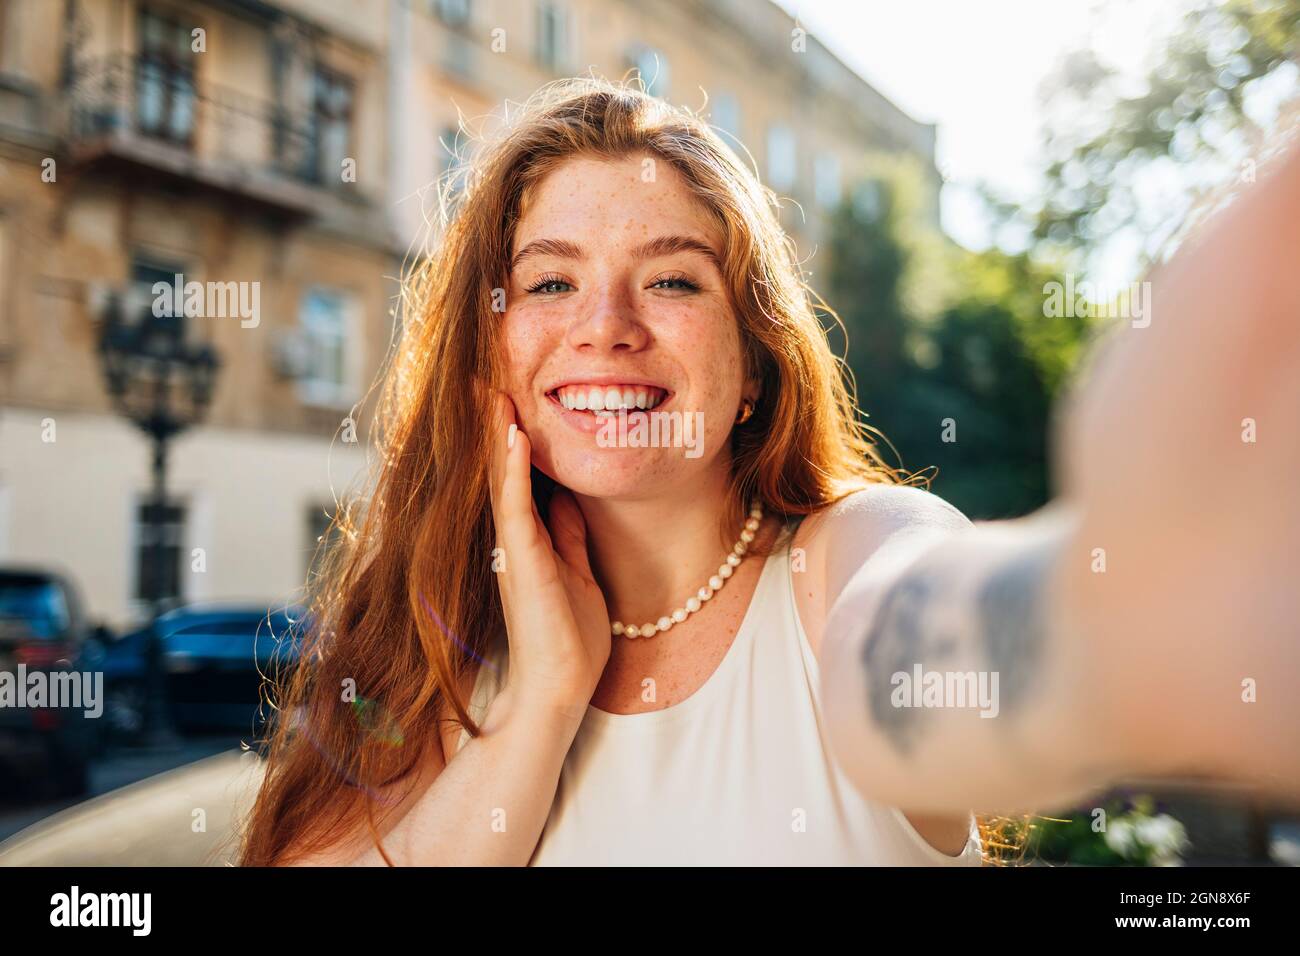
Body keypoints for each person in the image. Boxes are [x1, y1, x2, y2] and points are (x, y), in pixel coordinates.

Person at [238, 77, 1299, 867]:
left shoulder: (857, 557)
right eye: (552, 280)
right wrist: (544, 701)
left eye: (671, 280)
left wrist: (1130, 624)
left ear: (752, 365)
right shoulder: (432, 649)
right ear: (489, 351)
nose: (605, 327)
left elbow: (942, 647)